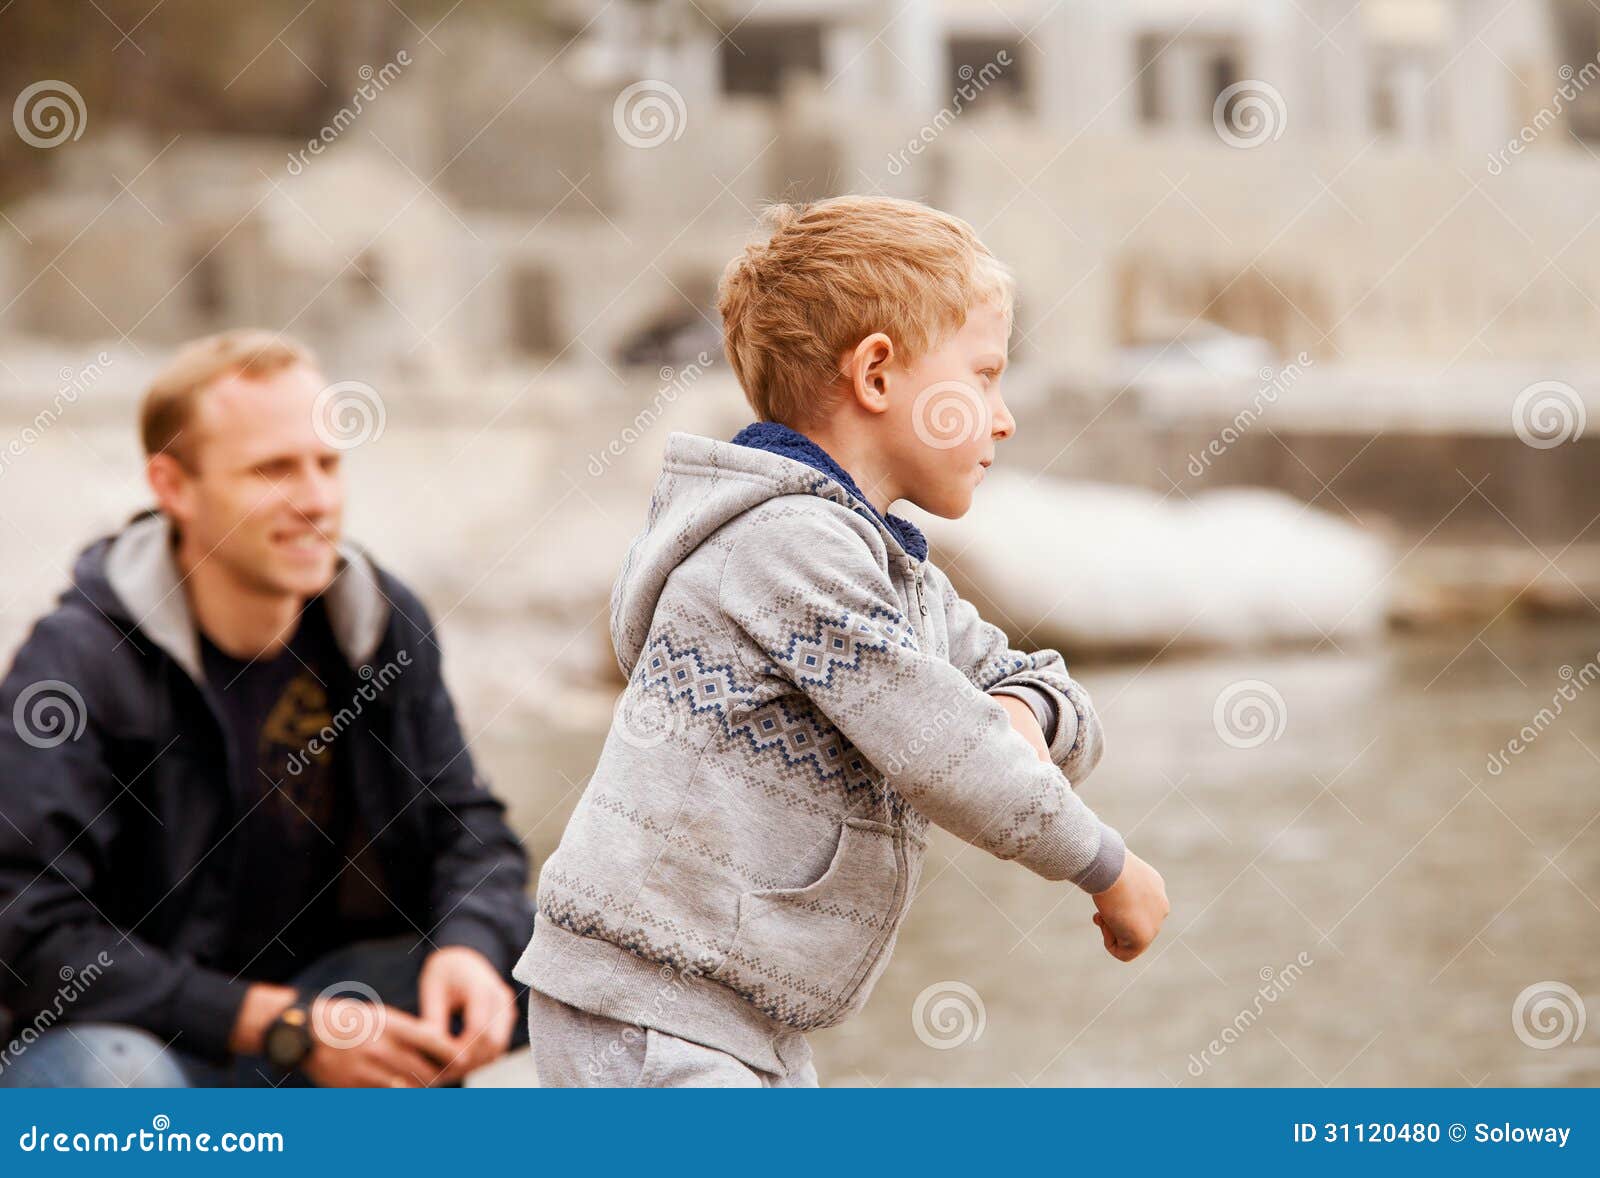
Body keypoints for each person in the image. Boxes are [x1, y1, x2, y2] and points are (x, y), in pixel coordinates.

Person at [517, 196, 1170, 1087]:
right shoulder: (786, 547)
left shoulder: (891, 573)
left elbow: (1041, 688)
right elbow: (947, 753)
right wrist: (1106, 866)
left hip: (752, 1017)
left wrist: (1014, 715)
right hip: (649, 1006)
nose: (1004, 415)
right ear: (875, 376)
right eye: (983, 376)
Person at [0, 330, 533, 1087]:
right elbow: (25, 931)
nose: (316, 500)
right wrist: (280, 1027)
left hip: (330, 1000)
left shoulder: (375, 623)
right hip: (149, 1035)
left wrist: (471, 950)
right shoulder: (79, 663)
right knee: (111, 1077)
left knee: (573, 954)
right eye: (273, 470)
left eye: (327, 463)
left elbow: (467, 828)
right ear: (173, 486)